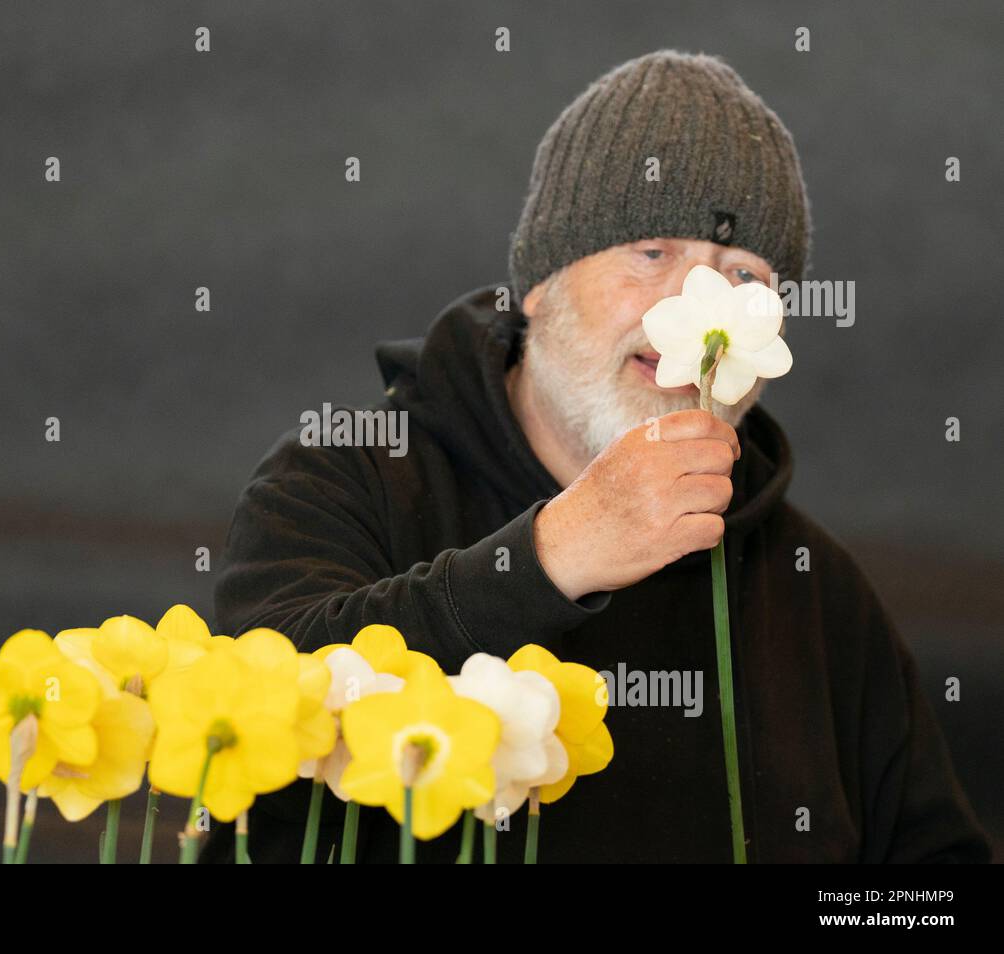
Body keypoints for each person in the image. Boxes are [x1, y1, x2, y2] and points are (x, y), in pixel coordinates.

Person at [199, 50, 991, 863]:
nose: (692, 308)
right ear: (540, 283)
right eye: (651, 253)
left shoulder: (814, 589)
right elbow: (278, 705)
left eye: (742, 275)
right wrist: (550, 557)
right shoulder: (346, 476)